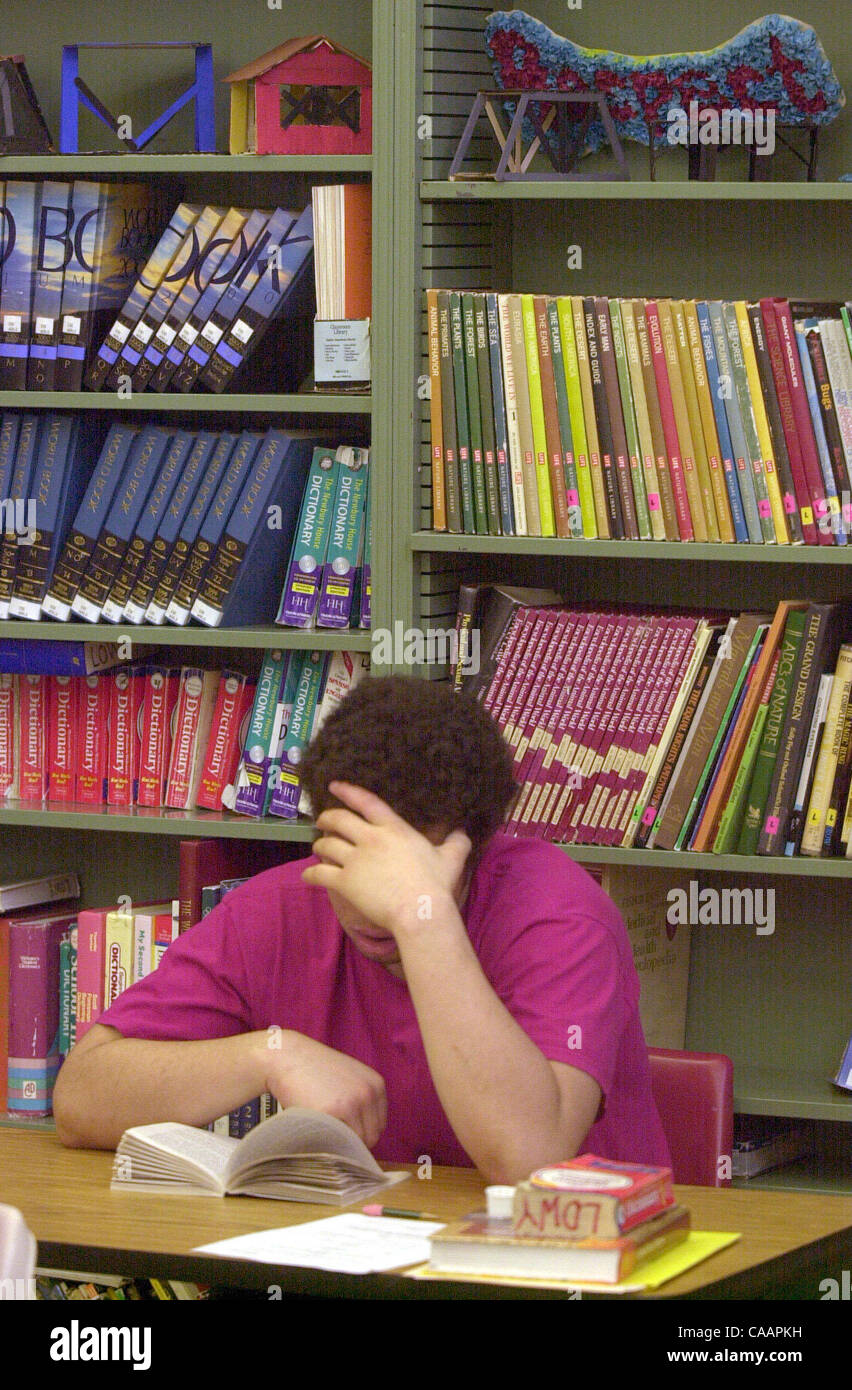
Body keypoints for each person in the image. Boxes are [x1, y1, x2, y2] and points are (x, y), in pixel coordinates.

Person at [54, 675, 670, 1183]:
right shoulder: (275, 907)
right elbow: (80, 1101)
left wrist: (423, 917)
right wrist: (271, 1051)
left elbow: (531, 1159)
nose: (375, 909)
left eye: (412, 868)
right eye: (349, 855)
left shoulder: (560, 910)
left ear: (474, 851)